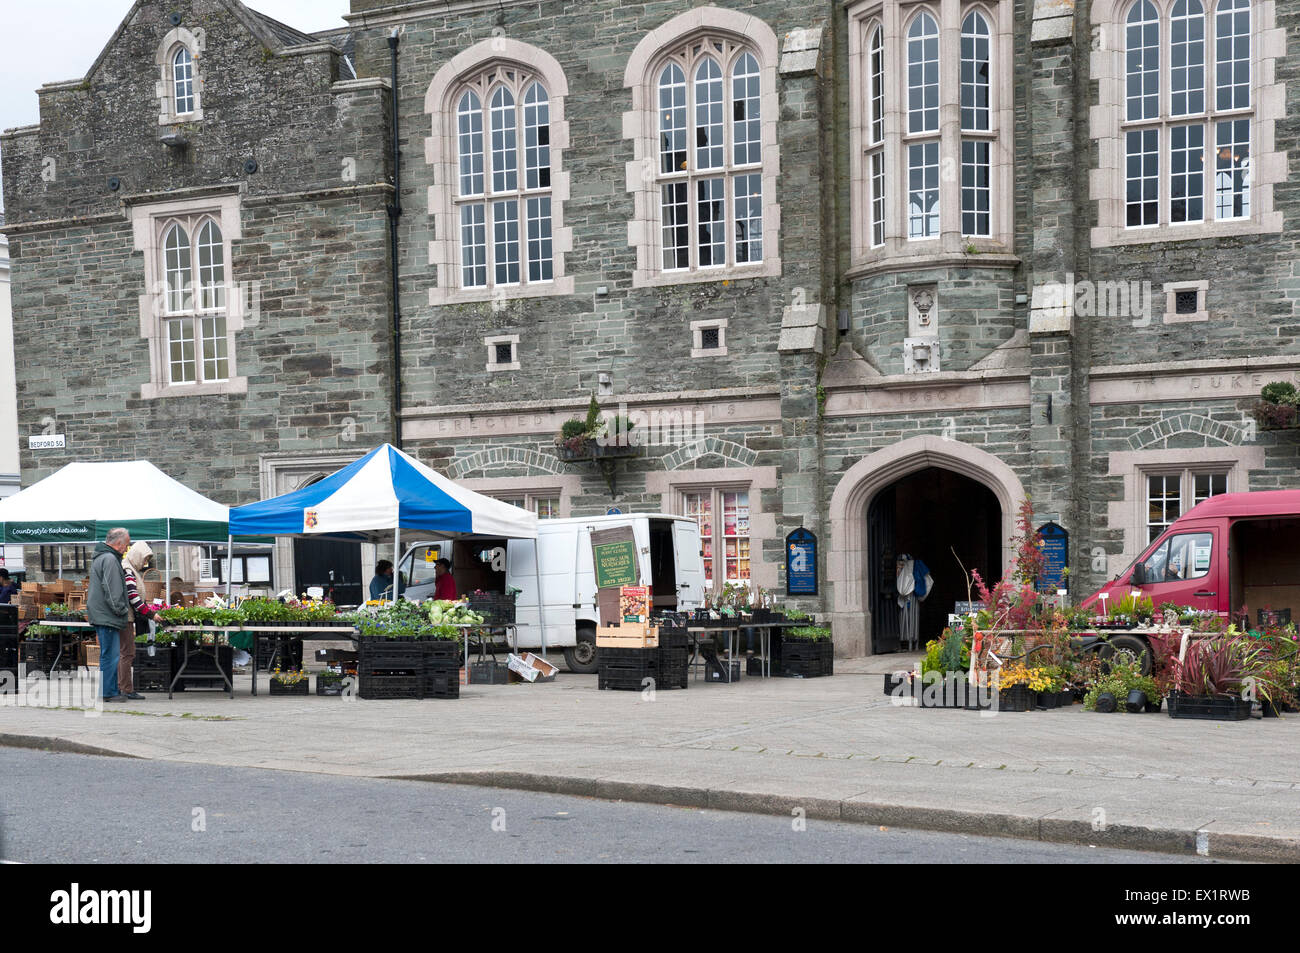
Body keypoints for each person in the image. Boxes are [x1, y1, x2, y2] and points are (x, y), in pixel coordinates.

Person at [88, 527, 132, 702]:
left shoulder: (102, 558)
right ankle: (109, 692)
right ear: (119, 543)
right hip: (107, 615)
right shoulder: (109, 559)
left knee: (108, 654)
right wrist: (121, 610)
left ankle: (109, 690)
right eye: (126, 545)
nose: (126, 549)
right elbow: (112, 589)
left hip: (102, 614)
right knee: (110, 655)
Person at [120, 541, 155, 702]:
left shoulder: (130, 568)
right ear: (137, 555)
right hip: (126, 617)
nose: (145, 563)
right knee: (127, 653)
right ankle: (126, 689)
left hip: (128, 617)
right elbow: (133, 597)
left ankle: (123, 687)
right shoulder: (128, 570)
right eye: (144, 558)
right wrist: (151, 614)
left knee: (124, 653)